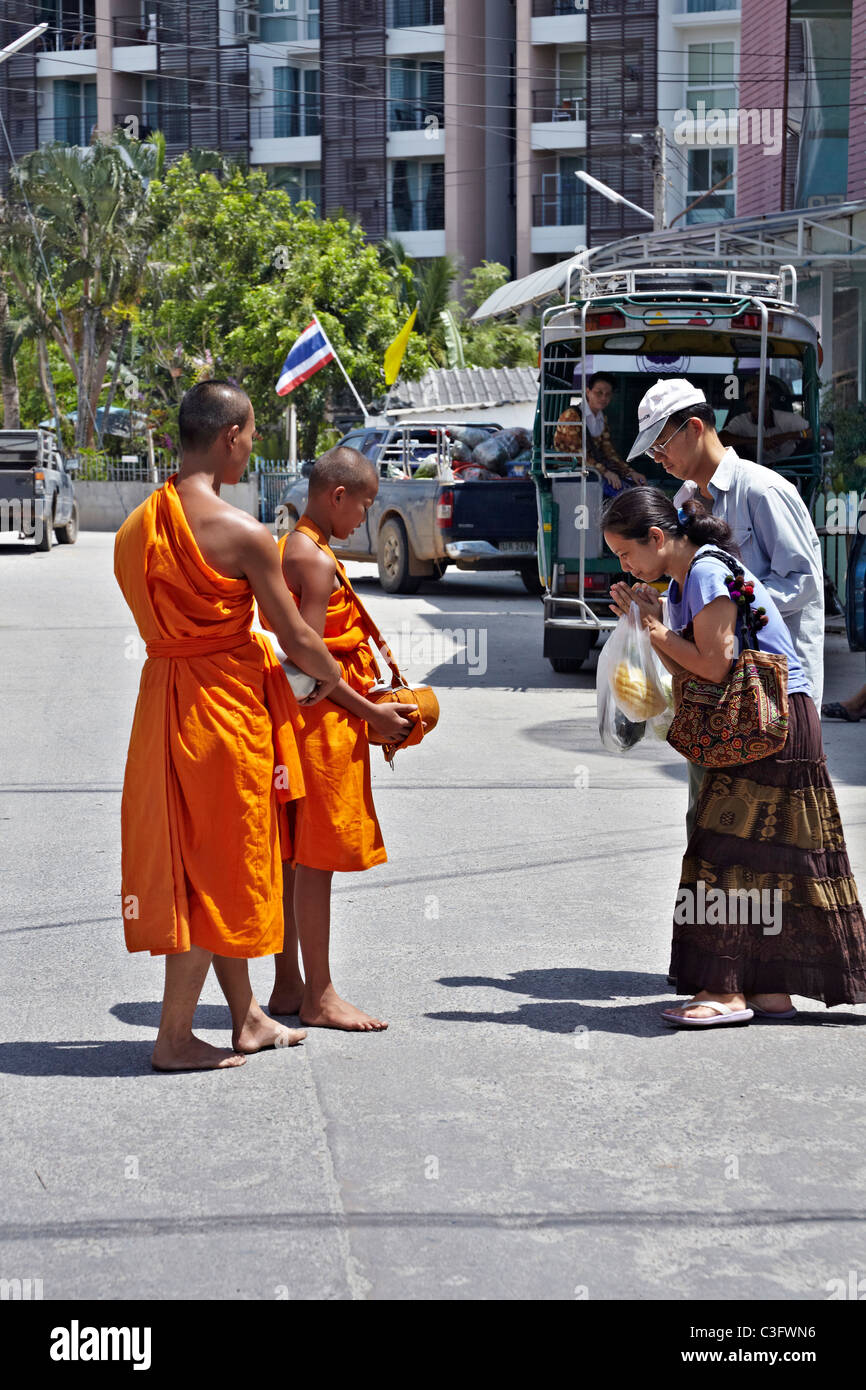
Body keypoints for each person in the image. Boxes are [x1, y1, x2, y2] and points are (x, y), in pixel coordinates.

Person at [114, 381, 342, 1071]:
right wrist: (337, 679)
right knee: (217, 865)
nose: (253, 446)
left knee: (199, 858)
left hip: (161, 707)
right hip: (221, 717)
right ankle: (175, 1037)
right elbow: (295, 637)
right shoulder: (242, 533)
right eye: (250, 435)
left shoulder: (136, 527)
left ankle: (247, 1017)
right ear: (231, 436)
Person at [603, 486, 866, 1027]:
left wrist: (654, 630)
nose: (625, 566)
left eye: (627, 554)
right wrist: (655, 623)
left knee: (722, 856)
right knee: (768, 863)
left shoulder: (703, 572)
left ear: (657, 537)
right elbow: (693, 663)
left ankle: (725, 991)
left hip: (771, 724)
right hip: (771, 723)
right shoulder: (684, 581)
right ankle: (769, 989)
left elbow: (716, 665)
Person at [265, 448, 417, 1031]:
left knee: (292, 856)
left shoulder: (296, 547)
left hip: (298, 720)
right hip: (320, 725)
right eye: (365, 504)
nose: (365, 517)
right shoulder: (315, 560)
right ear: (336, 496)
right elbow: (307, 667)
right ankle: (319, 995)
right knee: (315, 862)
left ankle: (287, 984)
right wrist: (370, 715)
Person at [554, 372, 647, 495]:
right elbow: (578, 455)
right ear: (588, 392)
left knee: (635, 489)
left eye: (608, 394)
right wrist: (605, 472)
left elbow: (609, 452)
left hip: (592, 473)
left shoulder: (602, 418)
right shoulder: (571, 416)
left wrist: (629, 472)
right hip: (571, 474)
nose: (604, 398)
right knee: (622, 495)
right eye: (599, 393)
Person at [719, 376, 813, 465]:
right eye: (752, 397)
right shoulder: (740, 421)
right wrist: (760, 441)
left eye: (761, 396)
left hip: (790, 467)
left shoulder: (787, 419)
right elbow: (722, 439)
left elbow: (816, 432)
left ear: (769, 398)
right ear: (747, 402)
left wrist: (787, 436)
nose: (757, 401)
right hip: (754, 470)